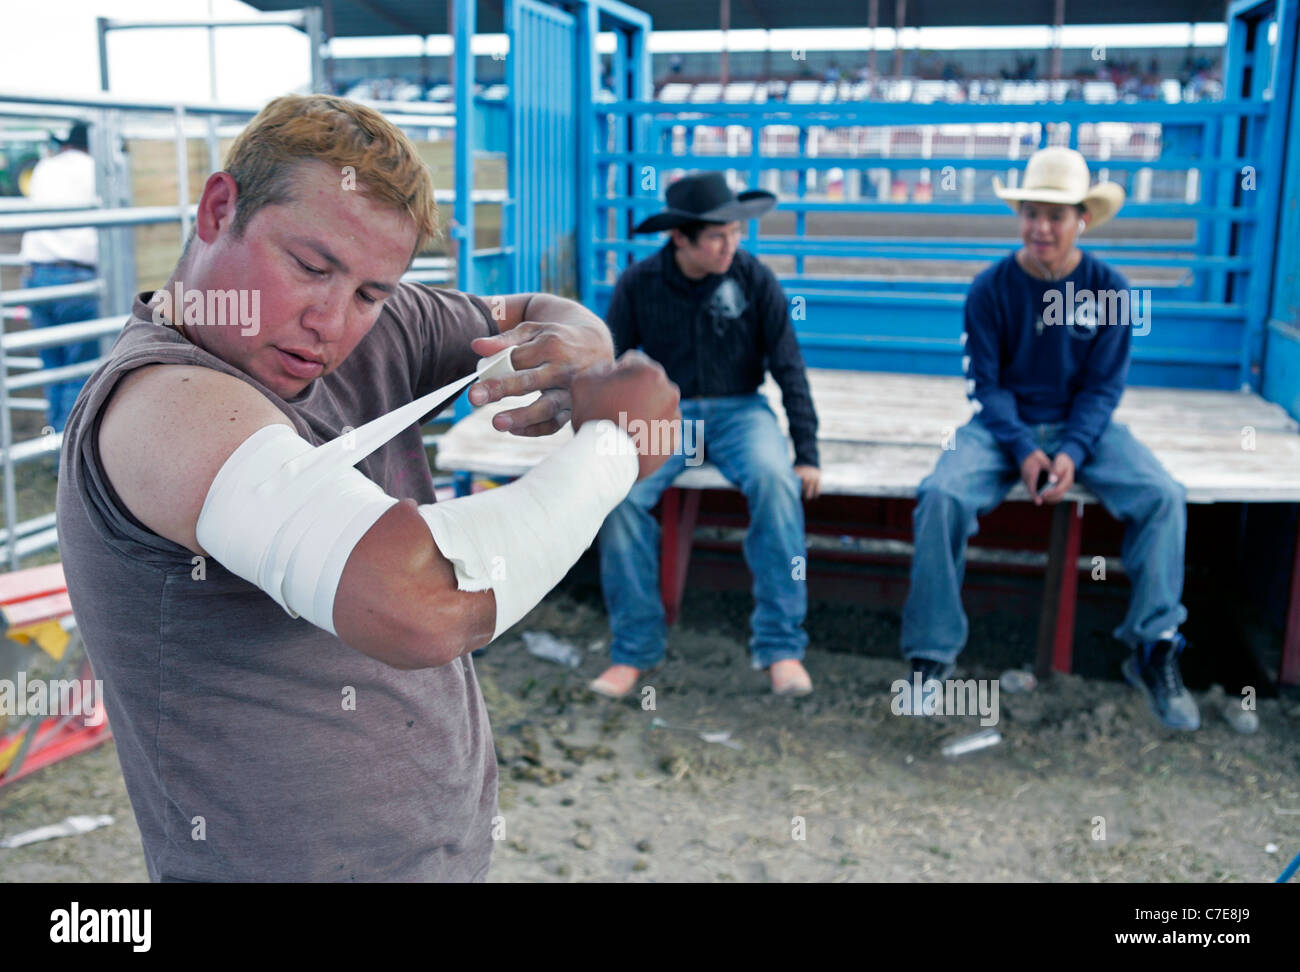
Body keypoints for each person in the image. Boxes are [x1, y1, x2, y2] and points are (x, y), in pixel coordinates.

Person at [54, 94, 680, 881]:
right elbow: (420, 606)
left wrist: (581, 350)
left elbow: (529, 311)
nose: (332, 320)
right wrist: (616, 449)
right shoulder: (165, 407)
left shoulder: (370, 327)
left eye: (371, 292)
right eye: (310, 267)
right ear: (219, 209)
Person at [898, 147, 1199, 731]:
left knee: (1163, 495)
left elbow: (1103, 387)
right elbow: (986, 385)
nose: (1041, 227)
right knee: (941, 495)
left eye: (1055, 216)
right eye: (1032, 213)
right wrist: (1024, 448)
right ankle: (931, 655)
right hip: (1002, 427)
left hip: (1083, 427)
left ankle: (1154, 647)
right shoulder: (990, 289)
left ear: (1081, 220)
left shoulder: (1108, 289)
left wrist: (1071, 452)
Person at [590, 172, 820, 699]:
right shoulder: (638, 284)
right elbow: (611, 368)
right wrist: (601, 441)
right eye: (717, 236)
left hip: (741, 410)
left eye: (735, 232)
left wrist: (806, 452)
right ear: (680, 237)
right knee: (620, 499)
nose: (730, 245)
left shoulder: (755, 278)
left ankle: (781, 647)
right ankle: (634, 650)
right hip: (666, 415)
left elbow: (788, 365)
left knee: (776, 483)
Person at [19, 121, 101, 433]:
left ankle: (54, 443)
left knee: (52, 370)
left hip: (36, 276)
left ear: (67, 143)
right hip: (76, 278)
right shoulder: (96, 170)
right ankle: (69, 449)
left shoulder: (45, 168)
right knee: (80, 372)